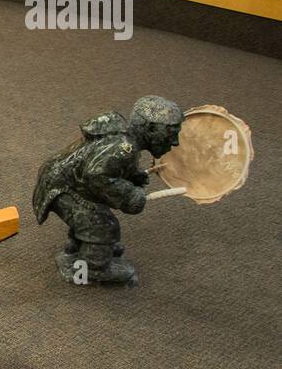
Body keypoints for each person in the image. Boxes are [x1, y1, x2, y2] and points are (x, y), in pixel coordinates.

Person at [33, 95, 183, 284]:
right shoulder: (124, 148)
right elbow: (97, 176)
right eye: (171, 133)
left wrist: (131, 174)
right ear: (151, 129)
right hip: (62, 188)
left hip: (64, 180)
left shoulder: (125, 143)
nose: (175, 141)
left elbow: (102, 165)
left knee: (92, 215)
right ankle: (94, 268)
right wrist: (129, 194)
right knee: (102, 225)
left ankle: (81, 244)